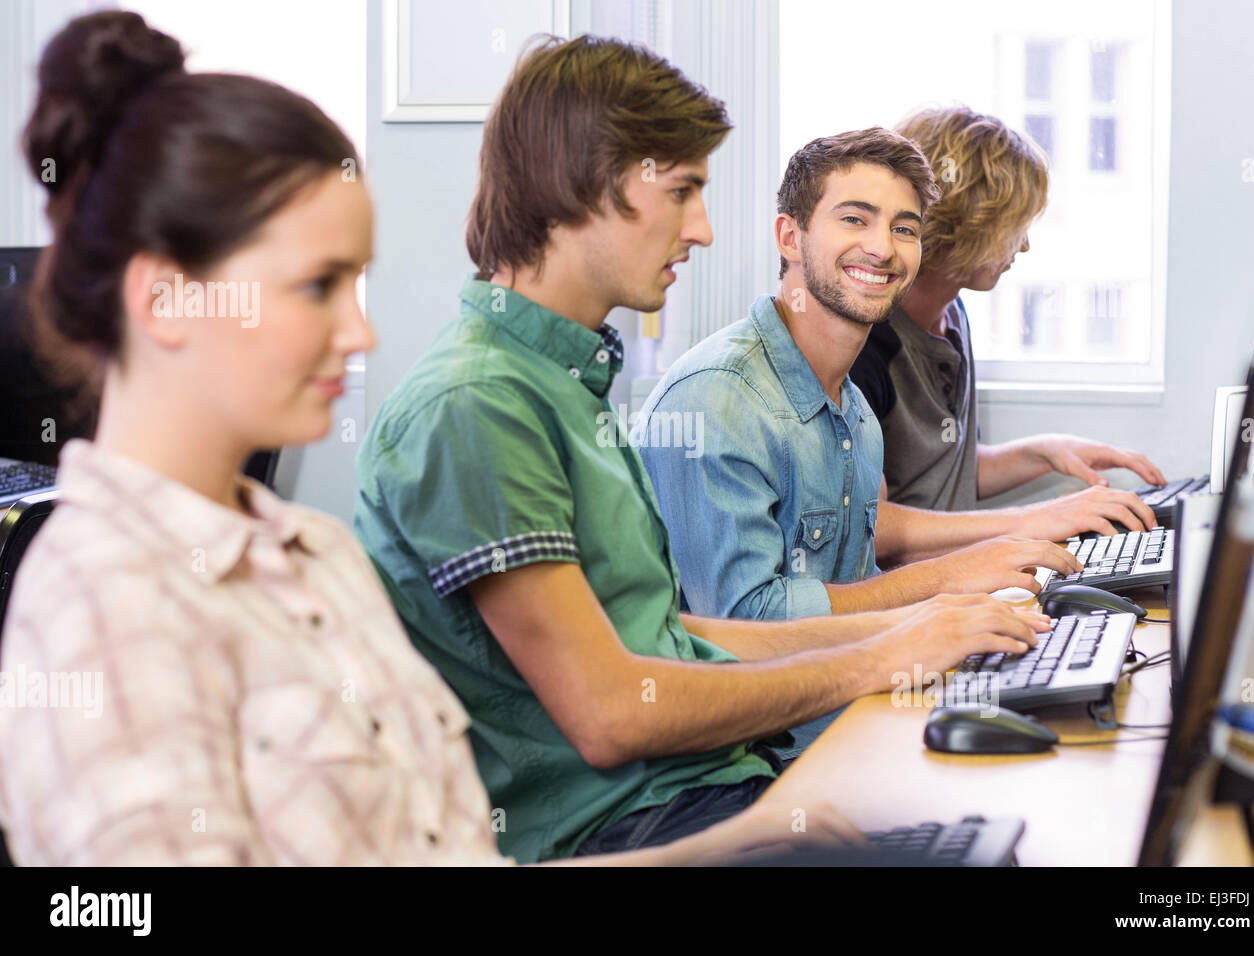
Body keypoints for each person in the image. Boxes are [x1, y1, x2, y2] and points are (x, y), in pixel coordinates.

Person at [0, 11, 866, 868]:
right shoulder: (104, 602)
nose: (362, 335)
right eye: (317, 287)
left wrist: (737, 847)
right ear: (165, 300)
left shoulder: (312, 558)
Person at [353, 36, 1048, 863]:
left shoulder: (560, 386)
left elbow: (671, 638)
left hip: (700, 783)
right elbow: (612, 714)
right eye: (682, 192)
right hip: (617, 824)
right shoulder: (477, 404)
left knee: (1000, 824)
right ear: (583, 185)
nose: (705, 230)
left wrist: (915, 629)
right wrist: (881, 654)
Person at [638, 128, 1084, 624]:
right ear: (789, 237)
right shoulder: (717, 398)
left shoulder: (858, 417)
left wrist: (964, 619)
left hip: (846, 688)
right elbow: (747, 625)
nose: (882, 248)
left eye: (904, 229)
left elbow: (854, 604)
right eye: (854, 219)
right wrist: (943, 579)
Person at [850, 106, 1167, 569]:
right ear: (967, 226)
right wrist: (1032, 520)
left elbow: (938, 472)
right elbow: (871, 530)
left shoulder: (952, 313)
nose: (1023, 246)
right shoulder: (864, 346)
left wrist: (1045, 452)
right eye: (1013, 227)